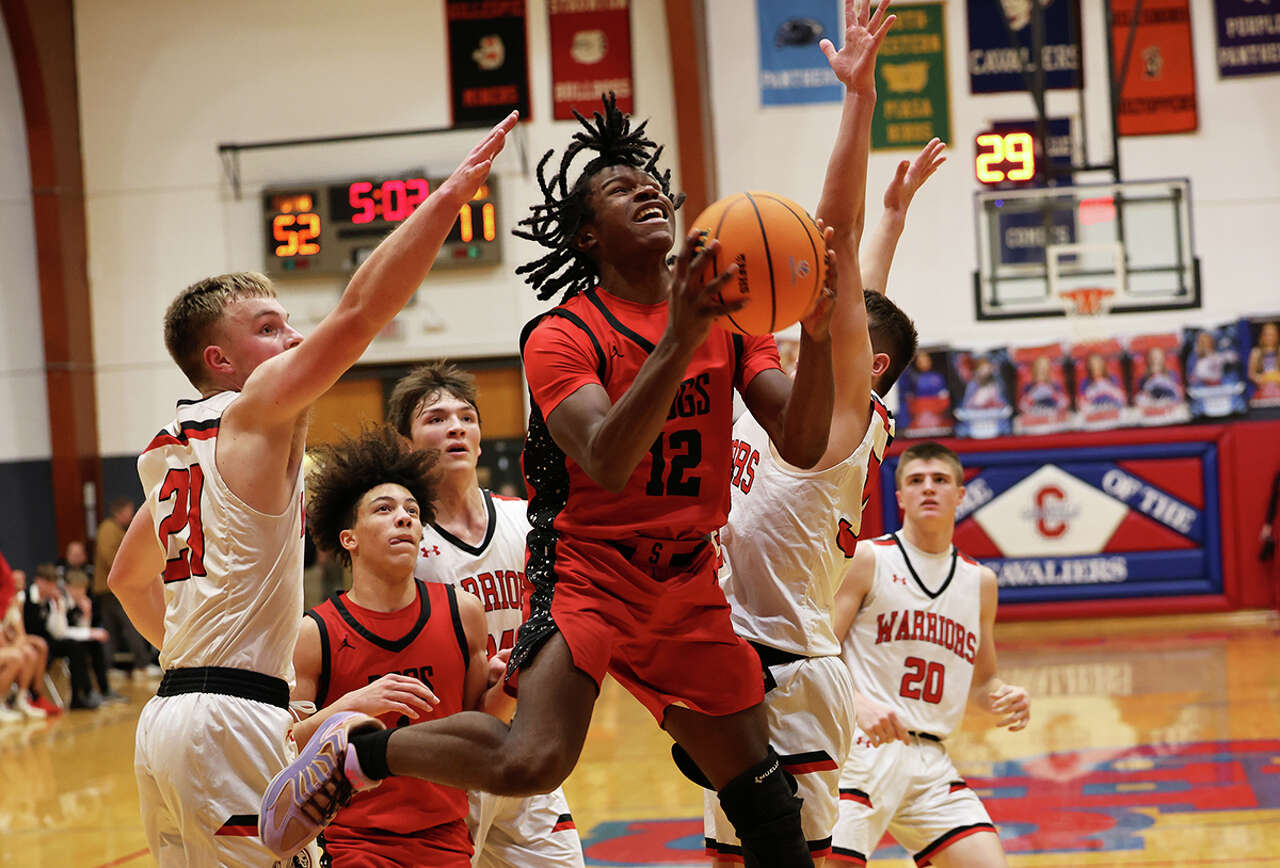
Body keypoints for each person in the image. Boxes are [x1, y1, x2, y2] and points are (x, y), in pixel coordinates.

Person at [260, 91, 840, 868]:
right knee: (533, 761)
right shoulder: (563, 334)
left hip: (688, 579)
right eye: (617, 188)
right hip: (588, 572)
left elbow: (802, 442)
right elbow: (606, 455)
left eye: (651, 182)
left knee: (767, 798)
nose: (646, 190)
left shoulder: (731, 325)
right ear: (588, 234)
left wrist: (822, 331)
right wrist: (682, 335)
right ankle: (366, 753)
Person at [106, 113, 517, 867]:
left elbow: (126, 579)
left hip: (168, 718)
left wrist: (194, 662)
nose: (293, 340)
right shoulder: (257, 409)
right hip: (230, 719)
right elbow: (362, 313)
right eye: (269, 328)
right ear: (219, 359)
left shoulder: (169, 451)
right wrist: (452, 194)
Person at [703, 2, 931, 863]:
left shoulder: (842, 419)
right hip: (728, 666)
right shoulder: (780, 397)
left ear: (867, 367)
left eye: (844, 333)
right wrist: (897, 223)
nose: (826, 321)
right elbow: (862, 289)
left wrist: (859, 100)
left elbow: (834, 259)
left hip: (790, 671)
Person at [390, 361, 586, 867]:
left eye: (466, 417)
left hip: (526, 744)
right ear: (405, 444)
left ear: (480, 435)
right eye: (435, 419)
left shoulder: (526, 521)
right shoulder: (402, 542)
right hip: (448, 756)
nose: (455, 426)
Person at [290, 426, 500, 866]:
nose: (404, 518)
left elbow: (480, 728)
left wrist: (514, 683)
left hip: (447, 838)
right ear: (349, 538)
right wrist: (351, 705)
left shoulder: (464, 613)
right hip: (352, 843)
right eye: (383, 510)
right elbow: (284, 748)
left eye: (412, 510)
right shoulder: (315, 633)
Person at [829, 442, 1031, 866]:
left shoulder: (980, 582)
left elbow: (982, 681)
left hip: (931, 761)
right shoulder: (870, 559)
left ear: (960, 495)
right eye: (916, 481)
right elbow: (819, 648)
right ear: (900, 497)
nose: (928, 489)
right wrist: (857, 701)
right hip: (864, 749)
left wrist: (1003, 695)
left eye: (940, 480)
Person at [94, 497, 156, 679]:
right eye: (129, 512)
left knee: (112, 628)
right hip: (113, 587)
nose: (132, 515)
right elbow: (110, 558)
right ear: (120, 512)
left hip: (110, 586)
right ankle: (142, 665)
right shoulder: (108, 530)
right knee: (131, 624)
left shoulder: (114, 529)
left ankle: (108, 667)